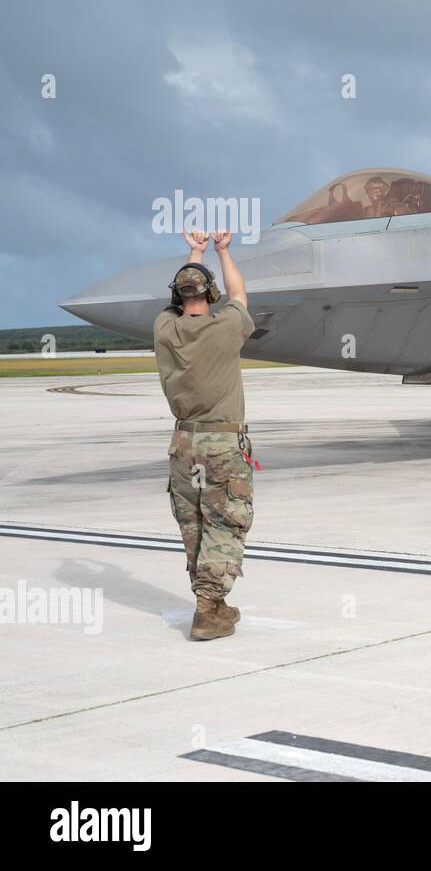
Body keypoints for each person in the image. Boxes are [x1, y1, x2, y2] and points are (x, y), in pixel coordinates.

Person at [153, 229, 256, 640]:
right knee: (225, 524)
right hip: (221, 444)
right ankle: (209, 609)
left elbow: (180, 297)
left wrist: (194, 252)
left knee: (193, 523)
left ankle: (208, 599)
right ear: (210, 293)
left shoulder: (165, 328)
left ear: (177, 297)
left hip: (183, 444)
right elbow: (239, 295)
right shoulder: (226, 327)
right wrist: (222, 251)